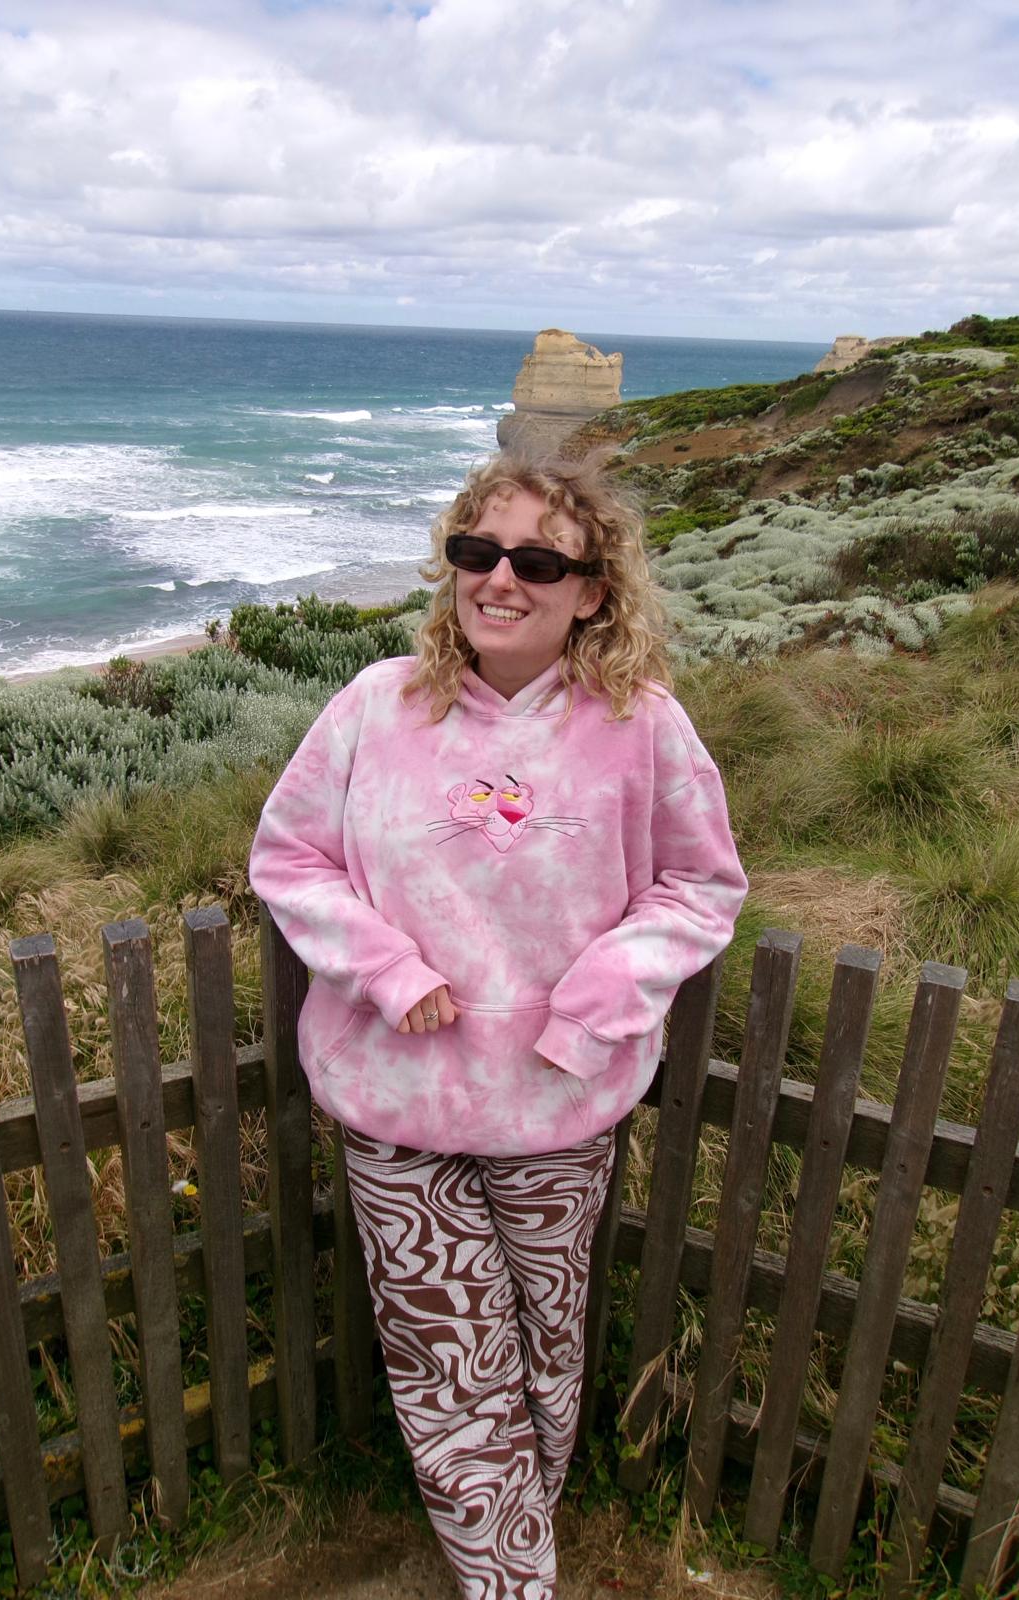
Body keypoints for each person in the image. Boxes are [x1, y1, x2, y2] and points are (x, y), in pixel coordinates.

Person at [248, 452, 747, 1600]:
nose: (499, 579)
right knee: (447, 1362)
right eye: (477, 552)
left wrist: (591, 1005)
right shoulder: (377, 702)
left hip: (560, 1100)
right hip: (399, 1102)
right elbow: (290, 856)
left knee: (545, 1350)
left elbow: (701, 887)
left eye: (537, 559)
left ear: (593, 590)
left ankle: (522, 1539)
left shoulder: (645, 725)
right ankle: (513, 1581)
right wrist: (382, 964)